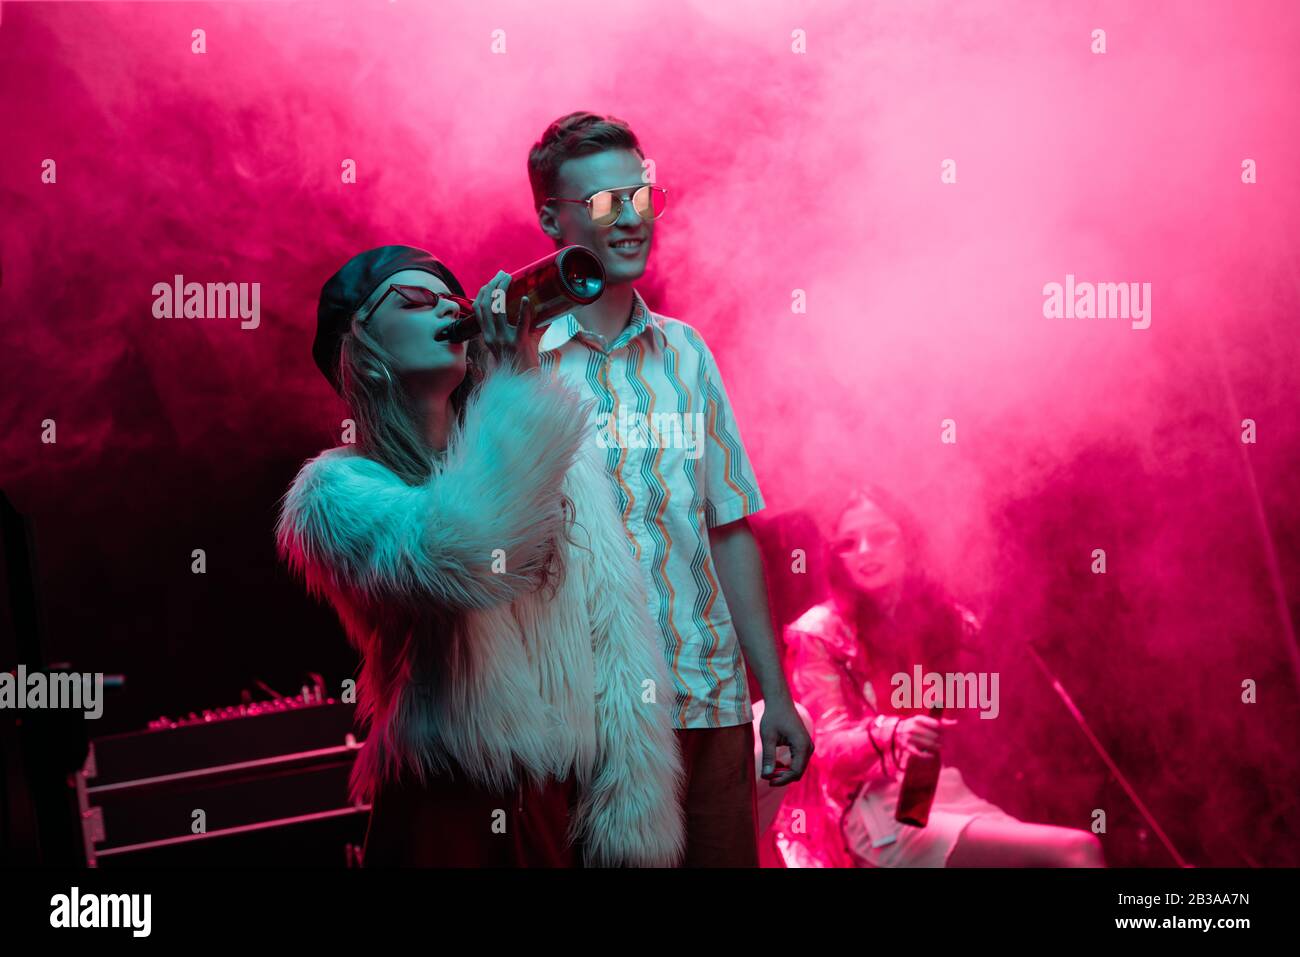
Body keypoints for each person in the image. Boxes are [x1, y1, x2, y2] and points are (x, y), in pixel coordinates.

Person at [274, 244, 684, 867]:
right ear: (360, 342)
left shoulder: (554, 466)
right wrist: (516, 386)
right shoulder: (332, 494)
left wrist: (632, 814)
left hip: (553, 809)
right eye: (414, 299)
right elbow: (466, 550)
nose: (446, 307)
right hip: (448, 813)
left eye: (451, 298)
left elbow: (618, 640)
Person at [527, 112, 812, 866]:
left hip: (712, 699)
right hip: (592, 718)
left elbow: (728, 527)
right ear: (550, 220)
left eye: (639, 194)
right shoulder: (522, 364)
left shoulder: (686, 353)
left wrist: (773, 696)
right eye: (600, 204)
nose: (629, 219)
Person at [773, 487, 1105, 867]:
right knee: (1076, 850)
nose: (865, 550)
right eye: (848, 543)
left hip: (936, 791)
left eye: (881, 536)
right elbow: (826, 748)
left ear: (908, 543)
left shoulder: (944, 620)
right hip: (872, 809)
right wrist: (894, 733)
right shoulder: (819, 632)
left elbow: (989, 721)